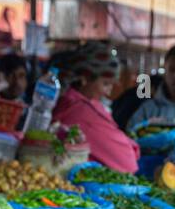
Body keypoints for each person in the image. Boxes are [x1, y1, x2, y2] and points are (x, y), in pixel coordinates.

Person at [49, 41, 140, 174]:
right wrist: (130, 145)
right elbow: (127, 161)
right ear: (84, 79)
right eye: (105, 84)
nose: (108, 92)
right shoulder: (80, 111)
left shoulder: (81, 102)